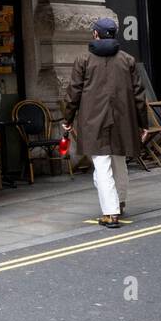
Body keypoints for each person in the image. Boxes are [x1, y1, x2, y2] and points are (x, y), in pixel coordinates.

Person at [62, 18, 150, 228]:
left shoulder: (83, 59)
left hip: (94, 121)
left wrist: (68, 118)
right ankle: (118, 201)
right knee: (119, 162)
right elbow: (139, 94)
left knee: (102, 166)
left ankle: (111, 213)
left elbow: (73, 92)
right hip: (123, 121)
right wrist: (143, 123)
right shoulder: (127, 59)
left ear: (95, 34)